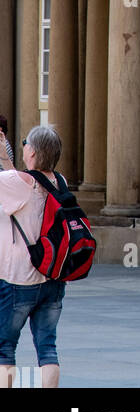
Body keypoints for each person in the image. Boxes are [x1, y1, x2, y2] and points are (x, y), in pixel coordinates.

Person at [0, 125, 65, 387]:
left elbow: (14, 181)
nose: (23, 145)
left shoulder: (16, 184)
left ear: (33, 152)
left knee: (4, 349)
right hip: (52, 277)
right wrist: (5, 157)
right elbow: (16, 177)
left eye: (26, 143)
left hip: (18, 279)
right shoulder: (59, 181)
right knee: (47, 347)